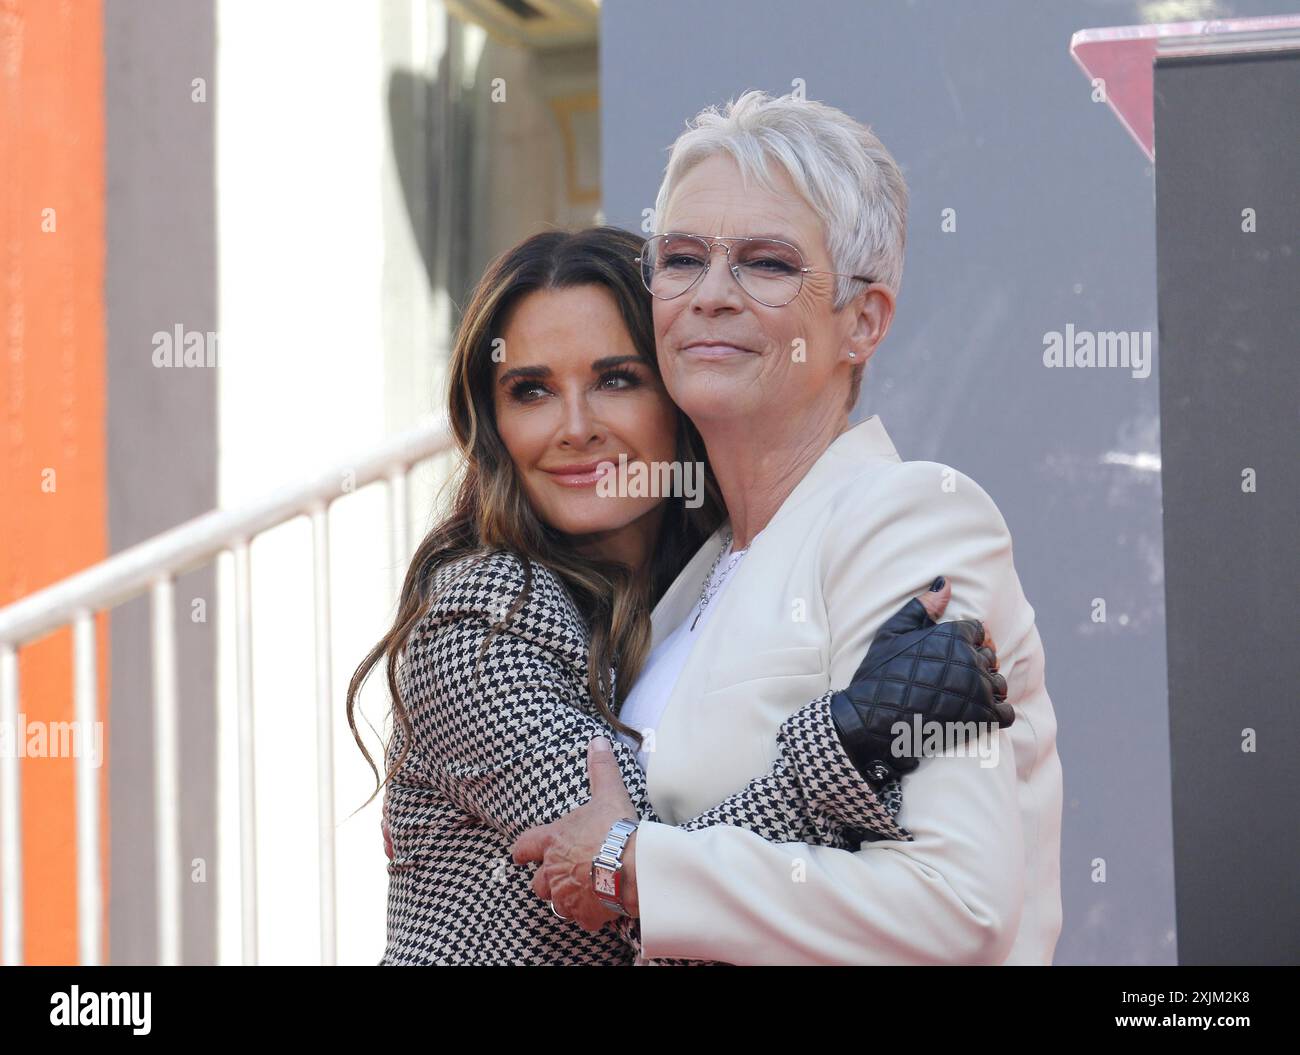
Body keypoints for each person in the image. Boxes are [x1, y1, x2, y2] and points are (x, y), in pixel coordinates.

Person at [346, 225, 1007, 965]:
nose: (574, 427)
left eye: (616, 379)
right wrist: (855, 733)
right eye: (530, 390)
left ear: (677, 395)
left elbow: (667, 865)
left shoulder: (708, 588)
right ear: (494, 423)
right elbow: (638, 878)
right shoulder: (482, 617)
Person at [511, 90, 1064, 965]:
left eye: (765, 264)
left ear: (864, 321)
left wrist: (642, 867)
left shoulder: (908, 518)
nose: (711, 296)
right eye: (682, 258)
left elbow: (960, 906)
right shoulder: (688, 582)